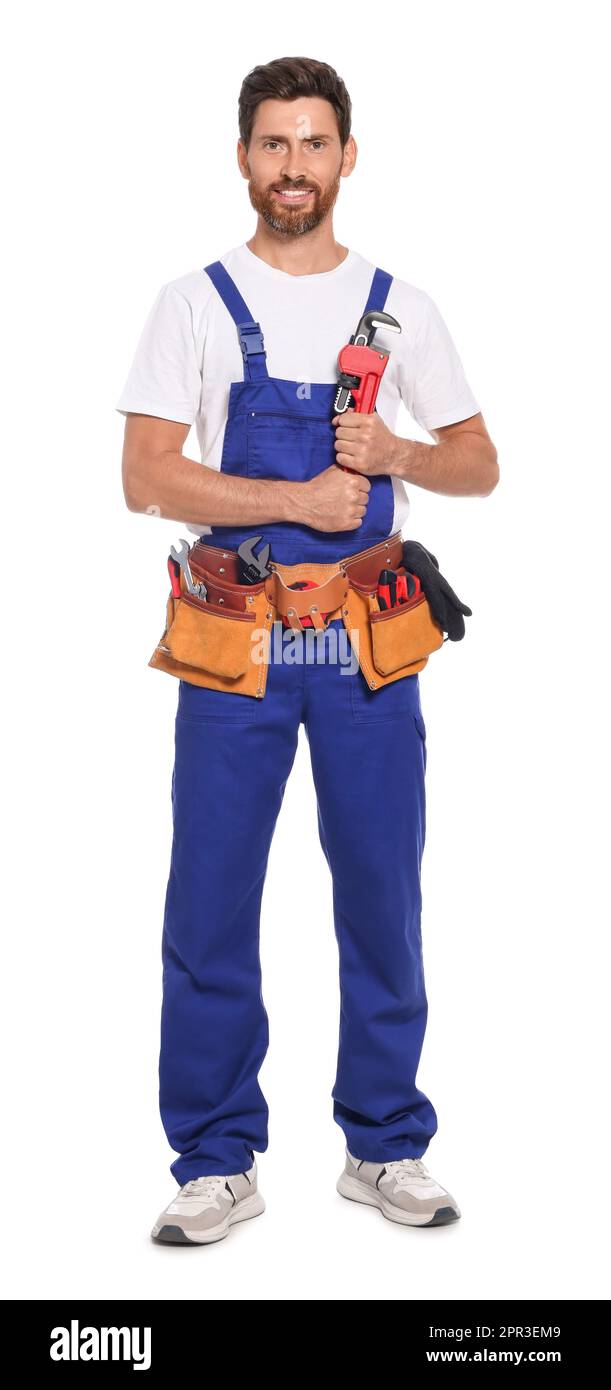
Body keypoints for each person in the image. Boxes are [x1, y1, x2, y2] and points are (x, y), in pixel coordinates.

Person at [117, 55, 498, 1246]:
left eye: (313, 143)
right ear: (243, 157)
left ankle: (384, 1144)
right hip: (234, 643)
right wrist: (294, 504)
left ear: (346, 158)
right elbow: (144, 478)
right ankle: (216, 1154)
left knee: (381, 894)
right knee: (211, 901)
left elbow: (478, 462)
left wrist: (393, 456)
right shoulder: (190, 301)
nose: (293, 166)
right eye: (273, 144)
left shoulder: (400, 305)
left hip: (365, 650)